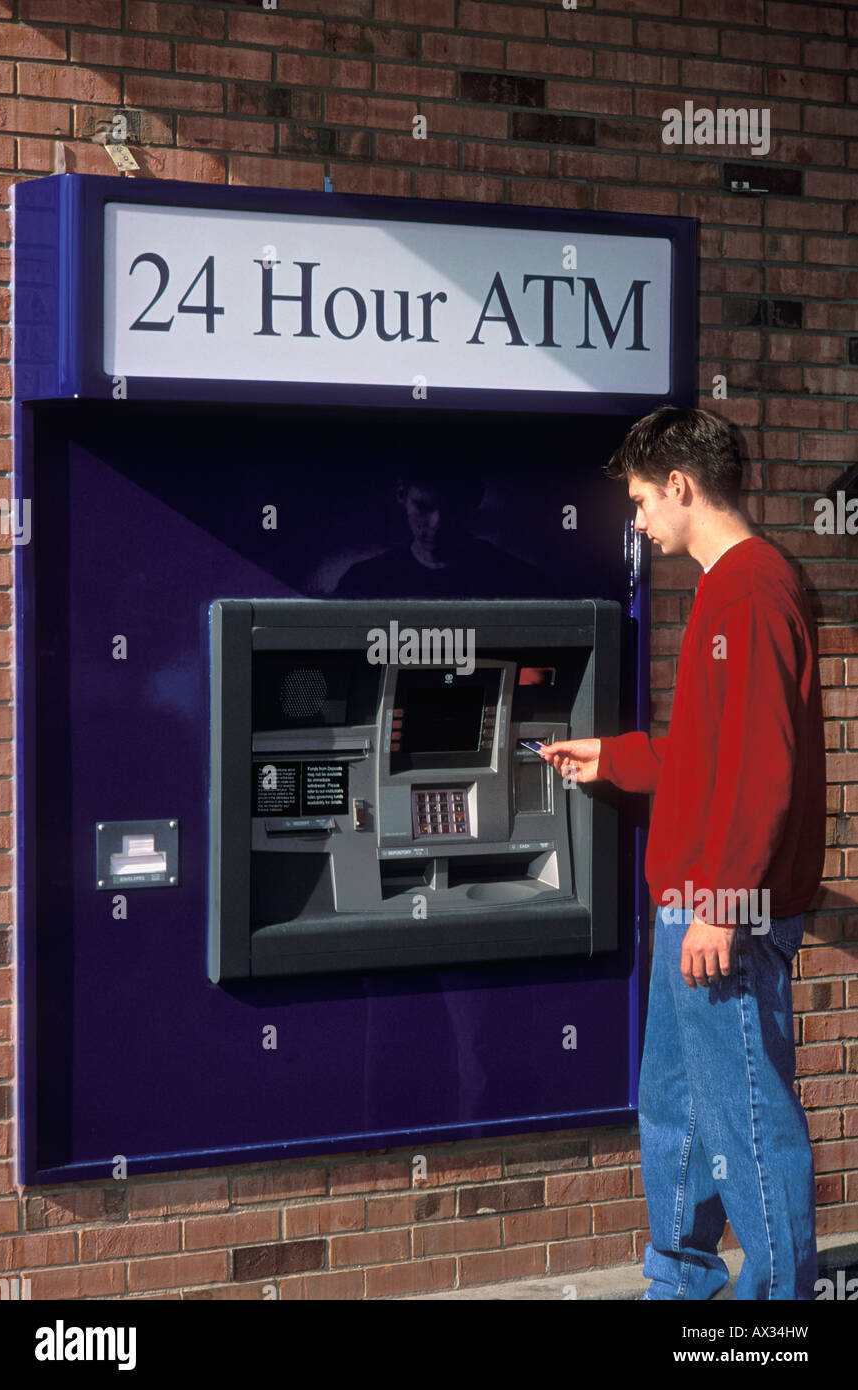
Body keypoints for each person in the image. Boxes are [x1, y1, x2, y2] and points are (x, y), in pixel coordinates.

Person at [541, 406, 826, 1301]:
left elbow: (761, 767)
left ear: (679, 485)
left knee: (746, 1125)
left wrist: (717, 903)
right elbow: (713, 753)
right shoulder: (728, 588)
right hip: (692, 908)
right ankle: (679, 1289)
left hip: (721, 915)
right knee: (673, 1112)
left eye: (637, 500)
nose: (635, 521)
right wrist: (615, 758)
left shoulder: (749, 587)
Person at [332, 461, 552, 598]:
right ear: (401, 494)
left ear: (475, 499)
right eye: (423, 507)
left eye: (453, 509)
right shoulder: (363, 581)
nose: (437, 524)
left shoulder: (519, 581)